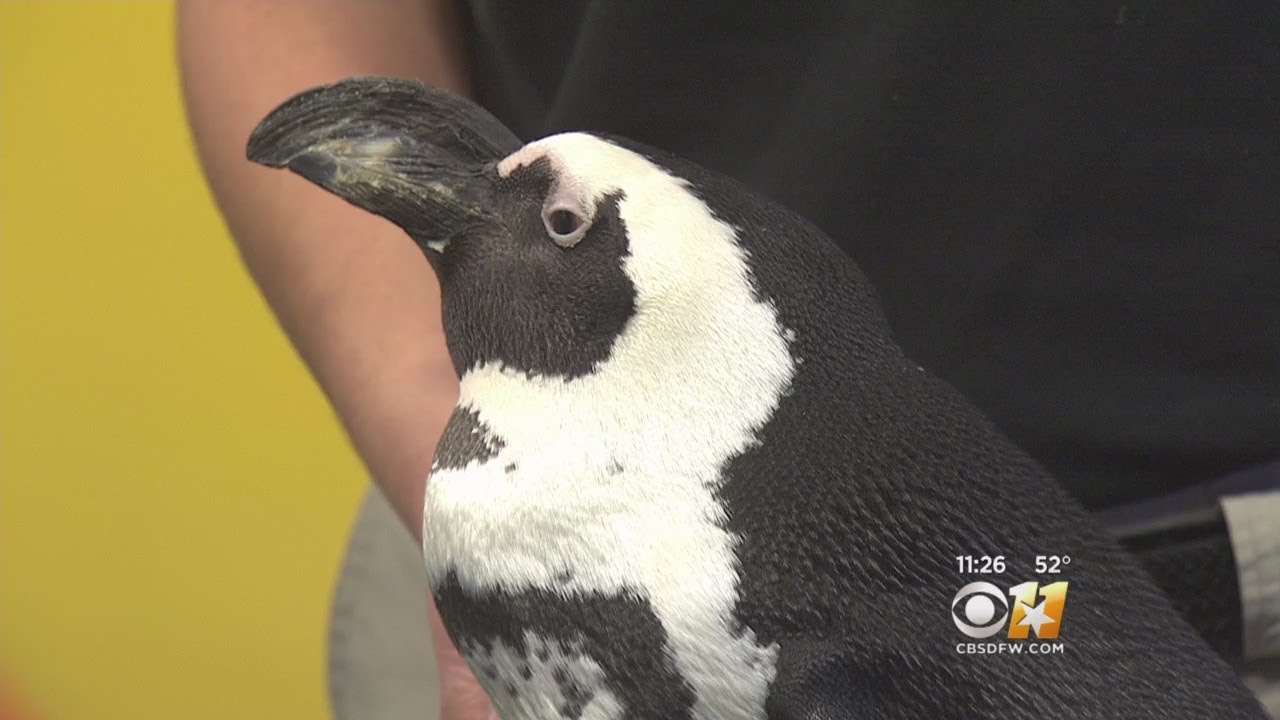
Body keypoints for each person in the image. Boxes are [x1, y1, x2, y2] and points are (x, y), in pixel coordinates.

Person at [178, 2, 1280, 718]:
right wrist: (463, 488)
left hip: (1020, 607)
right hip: (530, 502)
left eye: (558, 222)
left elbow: (968, 623)